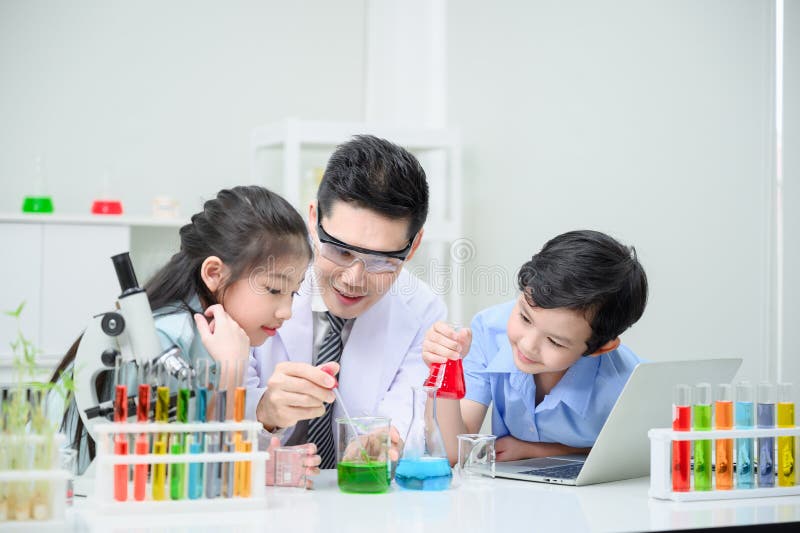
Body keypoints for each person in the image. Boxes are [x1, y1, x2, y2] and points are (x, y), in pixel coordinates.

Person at [51, 186, 318, 479]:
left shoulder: (213, 332)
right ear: (214, 274)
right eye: (274, 289)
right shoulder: (165, 339)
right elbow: (174, 471)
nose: (286, 311)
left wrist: (261, 466)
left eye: (293, 293)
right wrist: (231, 371)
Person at [247, 135, 447, 469]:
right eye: (340, 250)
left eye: (381, 260)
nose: (354, 278)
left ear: (412, 247)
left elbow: (406, 421)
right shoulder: (258, 286)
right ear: (314, 219)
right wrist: (264, 412)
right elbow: (224, 422)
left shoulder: (423, 311)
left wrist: (386, 441)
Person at [422, 230, 648, 464]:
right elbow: (451, 452)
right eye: (525, 318)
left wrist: (543, 450)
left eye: (555, 342)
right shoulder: (489, 330)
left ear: (600, 348)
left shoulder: (631, 384)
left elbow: (647, 454)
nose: (528, 345)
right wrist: (444, 367)